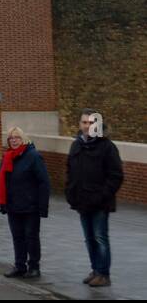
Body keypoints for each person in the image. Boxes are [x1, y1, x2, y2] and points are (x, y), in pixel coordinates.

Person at [66, 109, 124, 288]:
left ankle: (104, 274)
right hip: (82, 202)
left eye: (91, 123)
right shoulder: (76, 145)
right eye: (84, 122)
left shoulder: (107, 146)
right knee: (89, 239)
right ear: (80, 124)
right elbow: (70, 171)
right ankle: (95, 270)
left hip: (100, 202)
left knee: (100, 238)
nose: (87, 126)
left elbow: (116, 175)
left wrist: (102, 196)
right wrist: (70, 192)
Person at [0, 125, 50, 279]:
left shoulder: (33, 156)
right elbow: (3, 182)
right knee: (17, 236)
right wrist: (3, 203)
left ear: (23, 139)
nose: (14, 141)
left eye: (17, 137)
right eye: (11, 138)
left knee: (31, 237)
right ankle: (19, 265)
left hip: (30, 205)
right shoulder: (7, 157)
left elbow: (44, 182)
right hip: (13, 205)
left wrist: (43, 206)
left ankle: (34, 266)